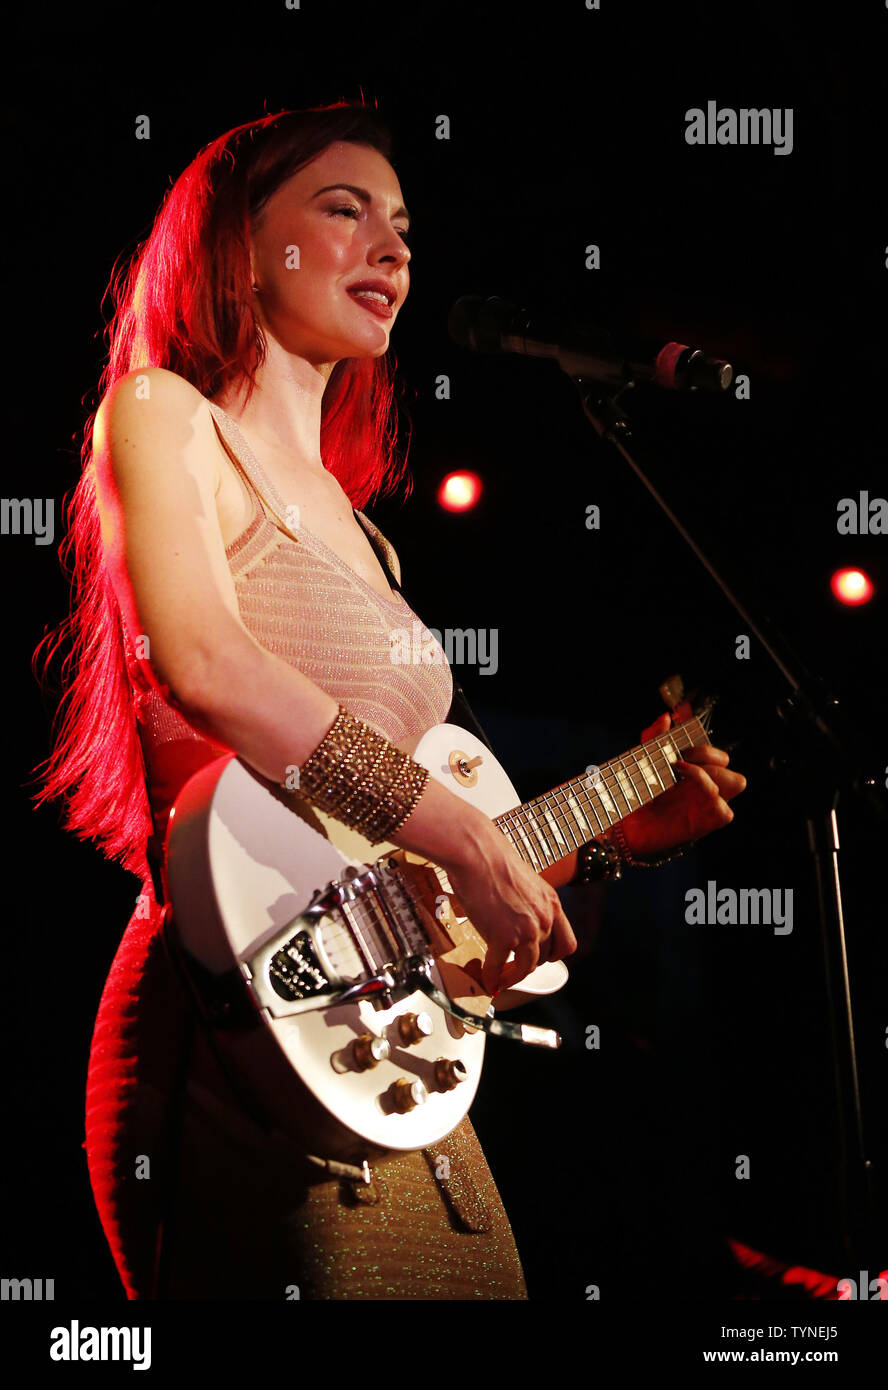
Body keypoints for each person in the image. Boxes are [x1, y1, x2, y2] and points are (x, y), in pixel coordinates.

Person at [32, 101, 746, 1300]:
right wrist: (462, 830)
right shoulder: (164, 416)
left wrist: (609, 841)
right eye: (344, 209)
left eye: (405, 226)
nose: (396, 250)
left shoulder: (372, 541)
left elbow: (402, 874)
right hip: (234, 1032)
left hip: (386, 1058)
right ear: (238, 246)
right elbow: (201, 660)